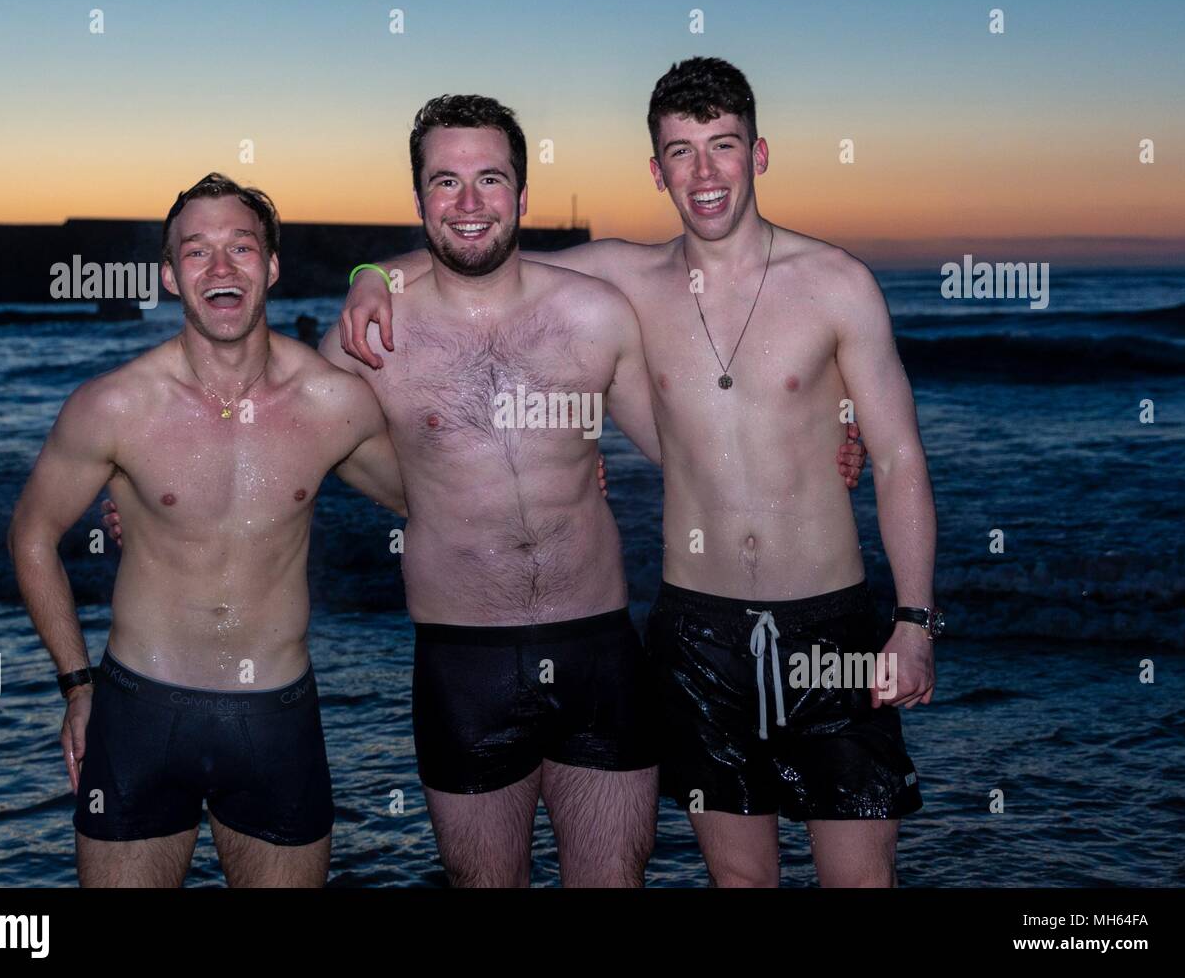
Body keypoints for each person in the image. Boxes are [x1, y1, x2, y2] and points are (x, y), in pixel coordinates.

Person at [340, 58, 935, 887]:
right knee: (740, 881)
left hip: (828, 626)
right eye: (682, 152)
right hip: (695, 635)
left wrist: (913, 620)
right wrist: (369, 277)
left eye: (722, 146)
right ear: (656, 170)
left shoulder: (838, 283)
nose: (705, 172)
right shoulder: (622, 276)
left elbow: (902, 454)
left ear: (758, 154)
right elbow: (478, 250)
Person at [9, 173, 405, 887]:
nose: (220, 268)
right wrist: (76, 686)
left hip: (276, 719)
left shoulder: (335, 401)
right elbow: (31, 533)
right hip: (138, 714)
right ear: (169, 275)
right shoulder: (114, 405)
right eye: (197, 252)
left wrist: (559, 469)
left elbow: (434, 498)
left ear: (272, 266)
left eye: (241, 248)